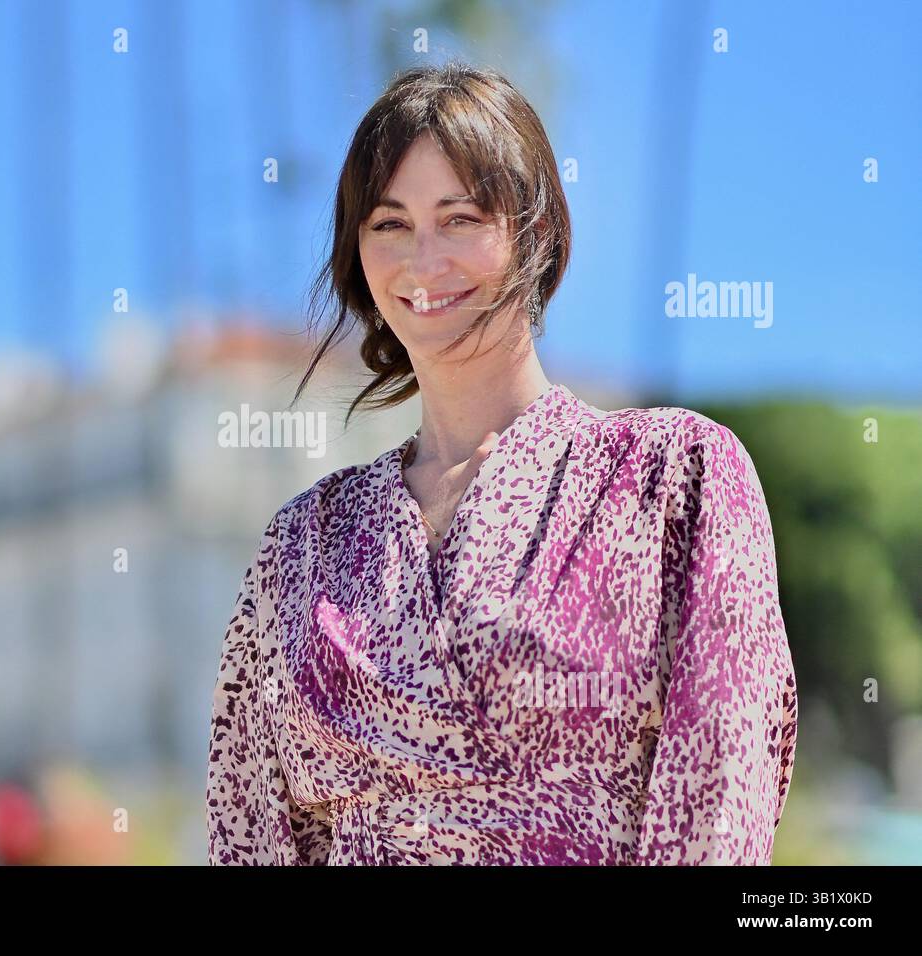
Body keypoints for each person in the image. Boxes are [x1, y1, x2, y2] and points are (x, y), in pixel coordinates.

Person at [205, 62, 797, 865]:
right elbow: (249, 826)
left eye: (460, 218)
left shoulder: (673, 479)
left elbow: (720, 800)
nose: (423, 260)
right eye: (389, 224)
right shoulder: (301, 546)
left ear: (537, 230)